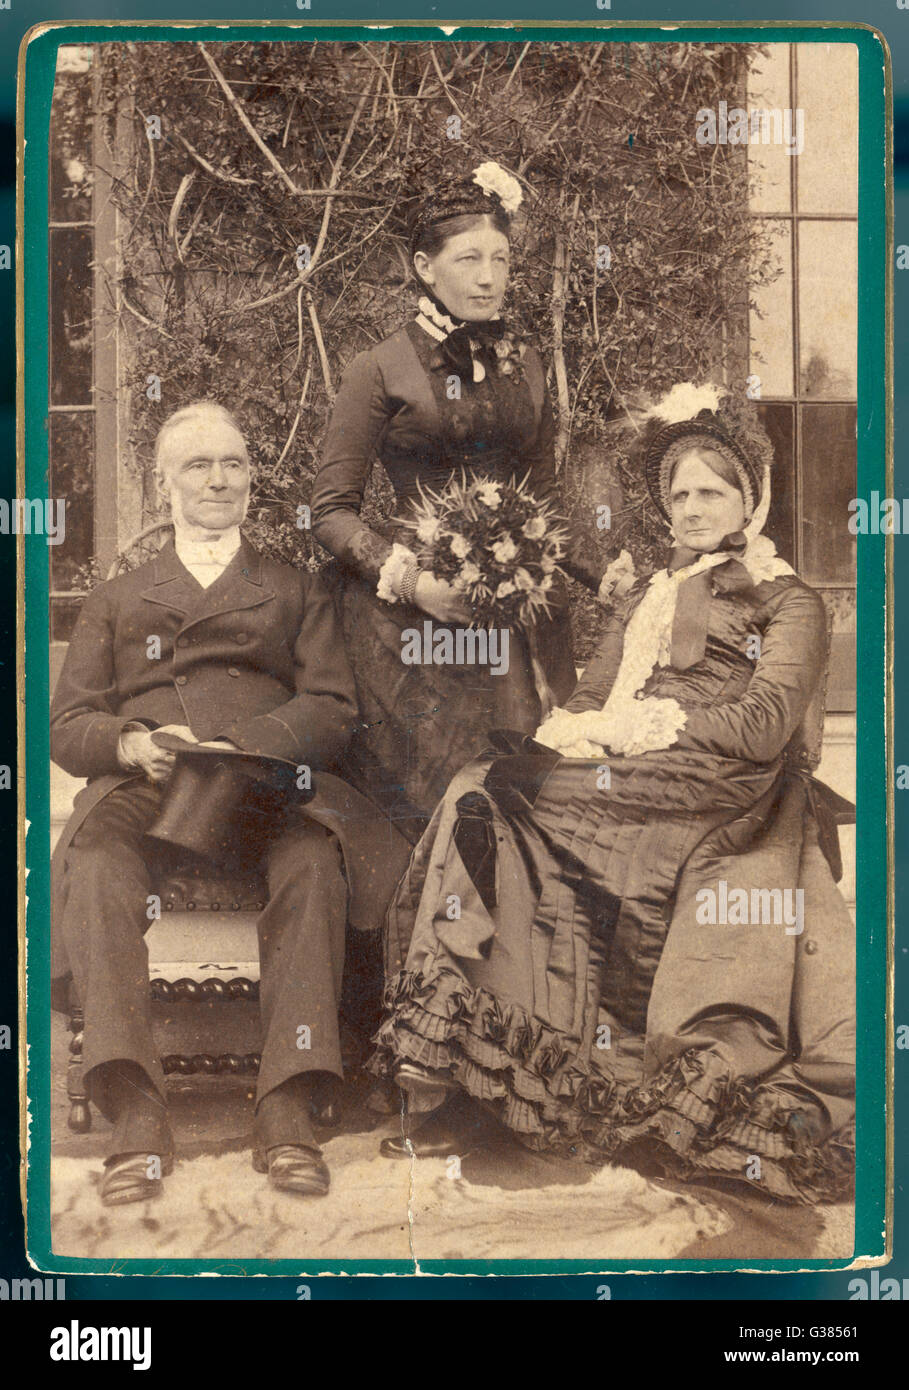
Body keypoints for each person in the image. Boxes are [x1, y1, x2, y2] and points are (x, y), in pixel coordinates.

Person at [372, 384, 856, 1206]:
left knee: (501, 795)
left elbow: (767, 721)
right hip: (633, 771)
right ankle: (453, 1071)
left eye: (712, 491)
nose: (694, 507)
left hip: (720, 785)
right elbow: (594, 699)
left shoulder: (788, 600)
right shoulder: (646, 598)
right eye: (679, 493)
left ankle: (488, 1074)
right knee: (480, 792)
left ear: (747, 499)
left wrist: (653, 722)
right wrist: (578, 730)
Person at [50, 401, 409, 1205]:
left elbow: (330, 706)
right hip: (148, 789)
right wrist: (135, 742)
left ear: (253, 478)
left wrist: (250, 745)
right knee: (97, 860)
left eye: (234, 464)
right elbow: (68, 727)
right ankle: (135, 1112)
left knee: (315, 863)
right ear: (164, 482)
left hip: (257, 787)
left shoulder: (292, 588)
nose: (219, 481)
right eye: (199, 466)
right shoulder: (118, 596)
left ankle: (285, 1111)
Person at [311, 160, 601, 846]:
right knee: (443, 798)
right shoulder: (379, 368)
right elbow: (330, 510)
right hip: (410, 620)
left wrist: (594, 570)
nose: (487, 276)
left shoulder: (525, 362)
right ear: (424, 266)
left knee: (528, 789)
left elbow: (545, 497)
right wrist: (416, 582)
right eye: (468, 258)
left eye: (500, 259)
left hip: (517, 611)